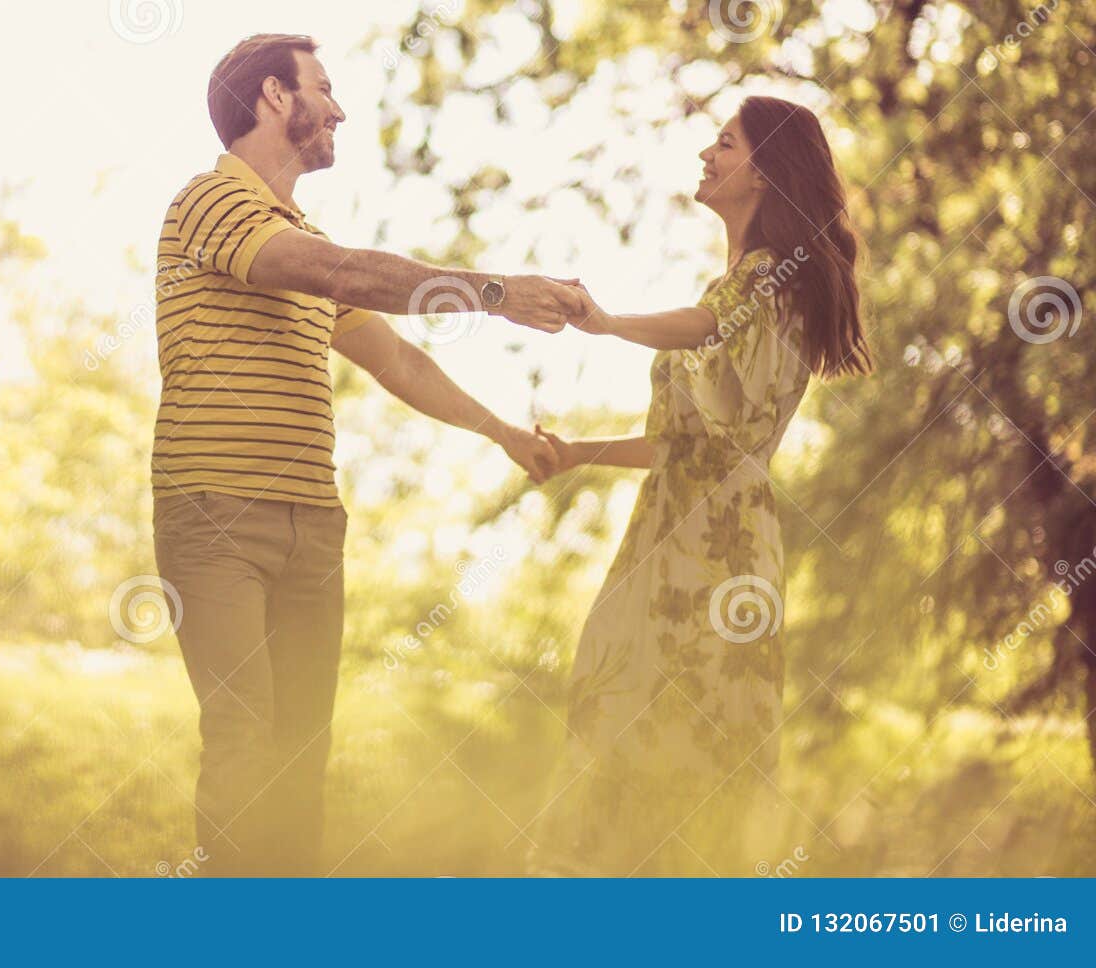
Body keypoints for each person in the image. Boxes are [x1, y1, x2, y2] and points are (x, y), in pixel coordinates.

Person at [151, 33, 583, 875]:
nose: (340, 109)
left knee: (300, 759)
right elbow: (347, 275)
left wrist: (504, 435)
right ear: (276, 97)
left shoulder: (302, 243)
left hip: (314, 527)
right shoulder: (209, 202)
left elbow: (398, 362)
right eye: (326, 88)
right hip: (216, 516)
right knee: (244, 740)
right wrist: (495, 294)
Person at [533, 95, 872, 874]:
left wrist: (609, 322)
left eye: (725, 143)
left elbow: (703, 325)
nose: (705, 155)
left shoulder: (768, 280)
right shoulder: (748, 285)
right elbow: (680, 447)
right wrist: (579, 451)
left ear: (765, 172)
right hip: (673, 533)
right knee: (634, 721)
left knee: (683, 734)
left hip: (715, 553)